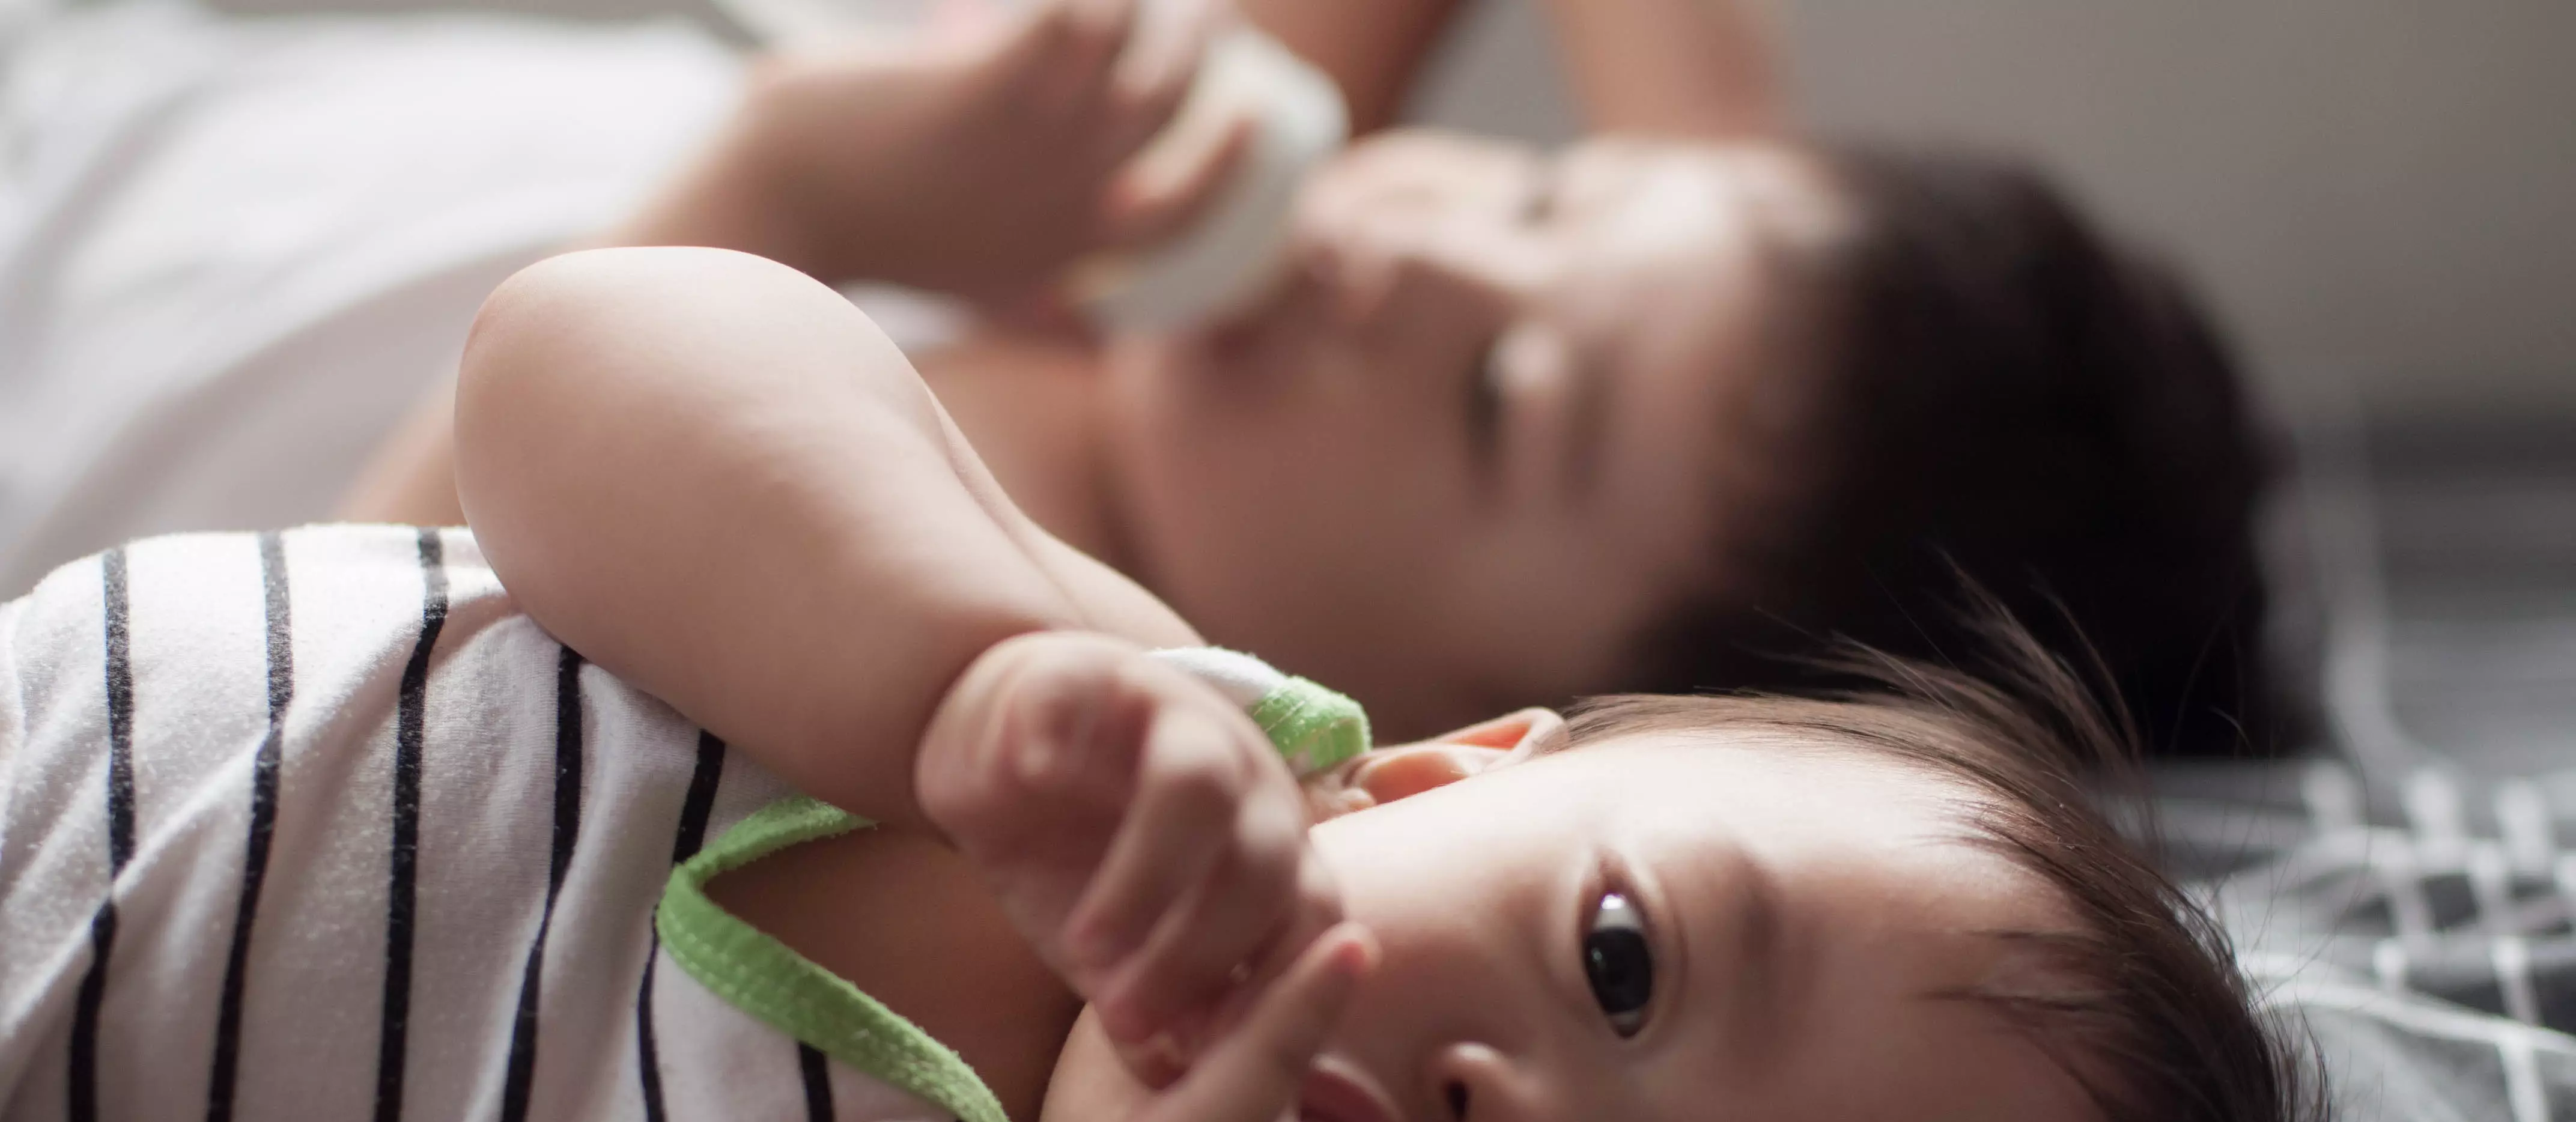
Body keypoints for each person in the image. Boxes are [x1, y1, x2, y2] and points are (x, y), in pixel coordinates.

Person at [1, 246, 2315, 1122]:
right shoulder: (1112, 696)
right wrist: (945, 659)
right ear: (1437, 771)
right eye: (1622, 962)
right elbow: (568, 359)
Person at [337, 0, 2285, 753]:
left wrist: (785, 189)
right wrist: (1711, 153)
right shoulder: (1148, 258)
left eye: (1507, 398)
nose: (1406, 243)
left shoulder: (956, 676)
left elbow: (283, 703)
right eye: (1534, 191)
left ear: (1496, 732)